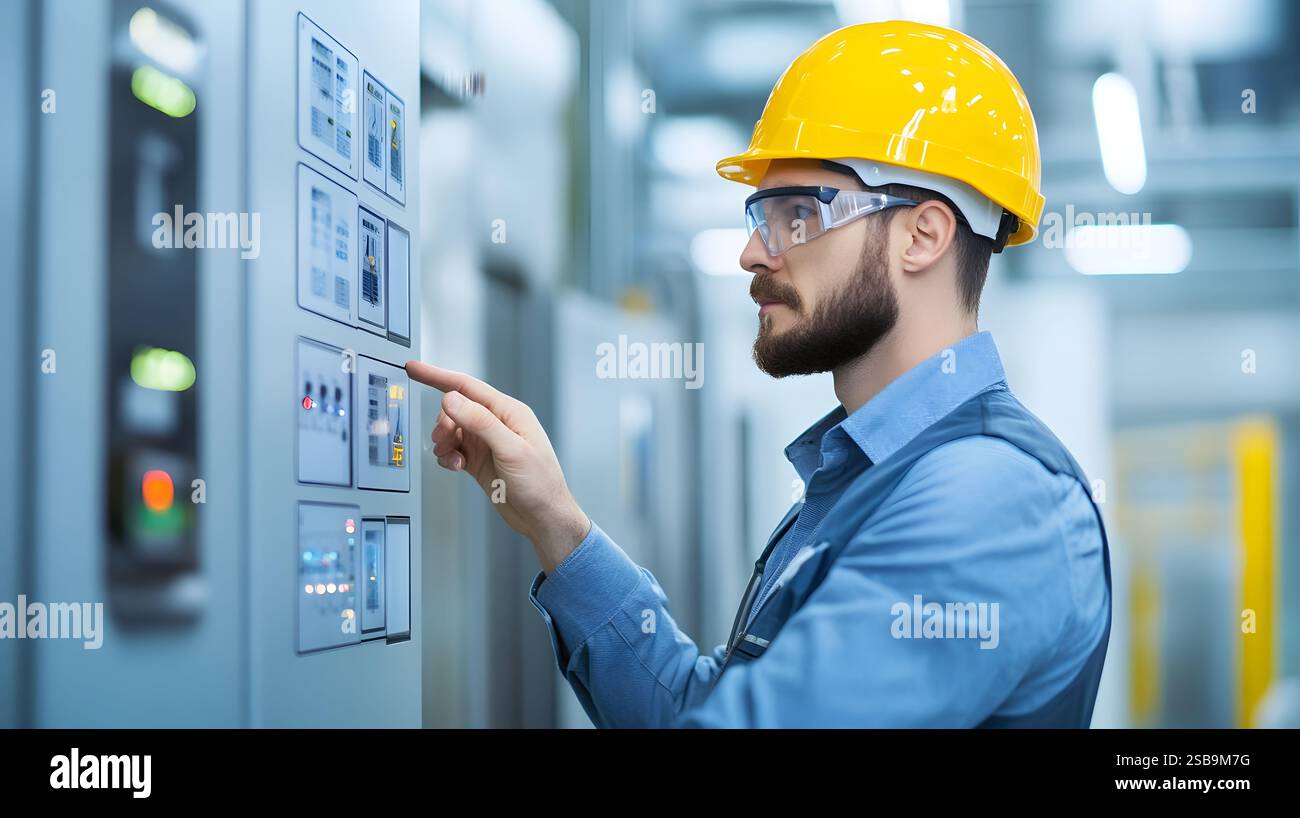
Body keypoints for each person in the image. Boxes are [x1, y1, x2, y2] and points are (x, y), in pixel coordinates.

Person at [406, 20, 1111, 727]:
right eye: (760, 217)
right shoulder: (864, 477)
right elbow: (709, 709)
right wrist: (555, 524)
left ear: (922, 236)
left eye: (798, 215)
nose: (751, 253)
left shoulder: (989, 500)